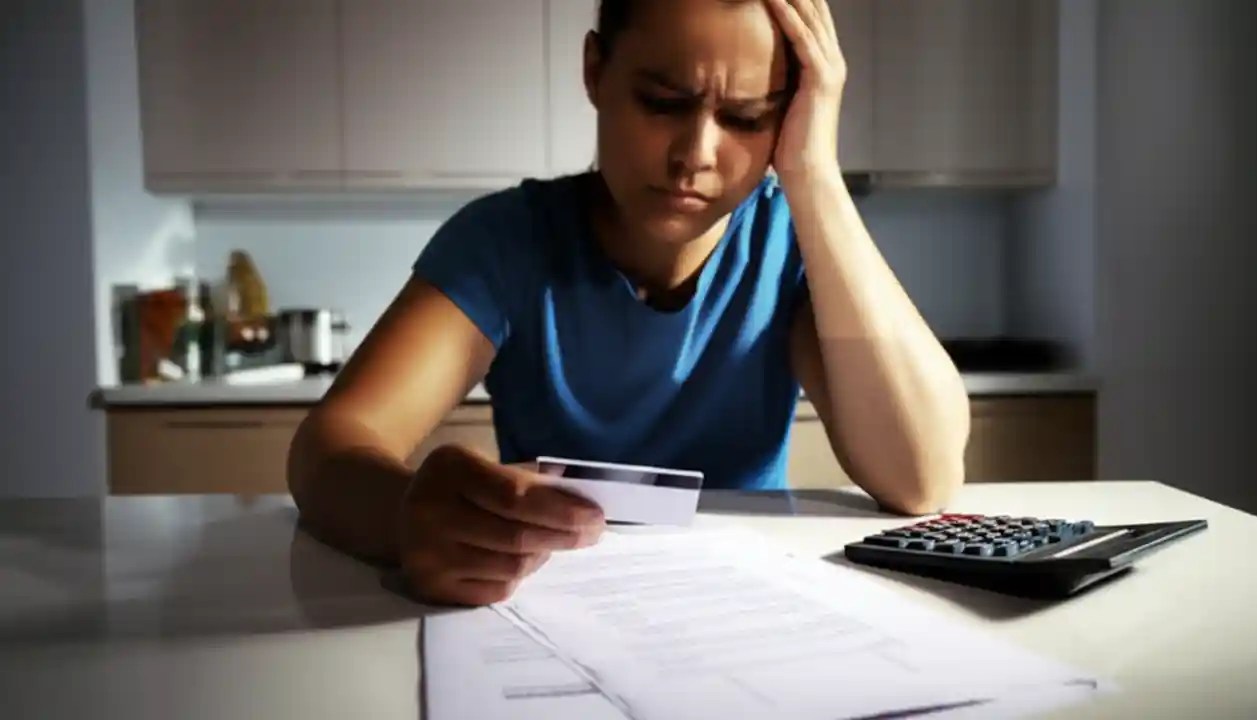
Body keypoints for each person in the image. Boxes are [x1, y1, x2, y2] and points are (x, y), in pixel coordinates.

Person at [287, 0, 971, 606]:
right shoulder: (506, 242)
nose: (695, 155)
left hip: (746, 610)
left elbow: (921, 477)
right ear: (595, 72)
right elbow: (331, 447)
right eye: (663, 101)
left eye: (745, 117)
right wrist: (407, 512)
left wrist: (813, 173)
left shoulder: (793, 249)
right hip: (545, 607)